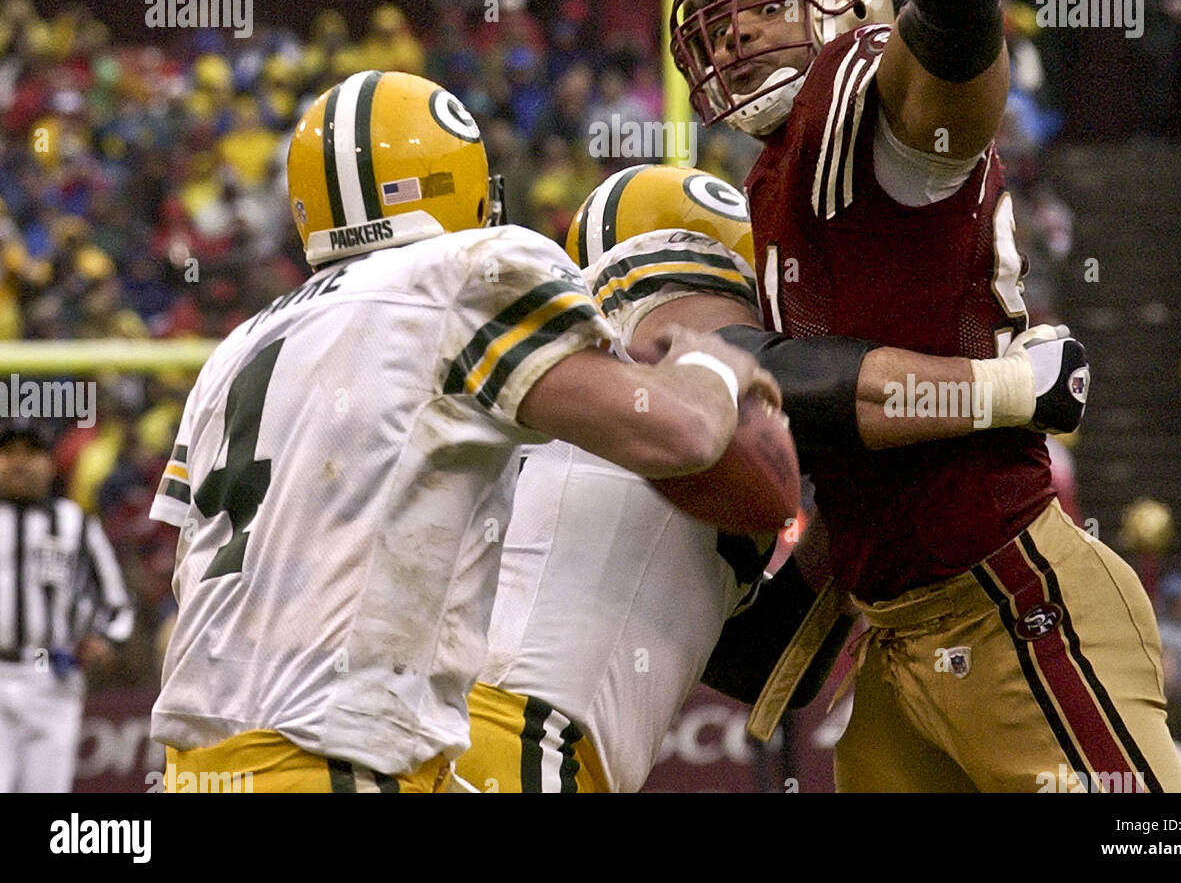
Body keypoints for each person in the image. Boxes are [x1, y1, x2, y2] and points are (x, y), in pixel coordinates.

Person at [669, 0, 1181, 792]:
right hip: (900, 631)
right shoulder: (775, 180)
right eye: (718, 22)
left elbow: (957, 28)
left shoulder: (866, 106)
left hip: (1009, 598)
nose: (740, 31)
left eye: (763, 1)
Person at [149, 72, 776, 793]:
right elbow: (684, 438)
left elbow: (192, 578)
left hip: (195, 771)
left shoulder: (238, 346)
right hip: (337, 757)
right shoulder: (460, 272)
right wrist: (715, 368)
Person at [454, 165, 1086, 793]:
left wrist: (864, 512)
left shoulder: (637, 421)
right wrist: (1004, 388)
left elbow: (752, 664)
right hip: (511, 737)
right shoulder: (659, 336)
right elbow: (752, 365)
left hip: (525, 744)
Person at [0, 414, 134, 793]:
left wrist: (106, 640)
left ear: (49, 463)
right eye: (8, 452)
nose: (19, 462)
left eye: (31, 452)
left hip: (50, 676)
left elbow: (118, 604)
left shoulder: (75, 524)